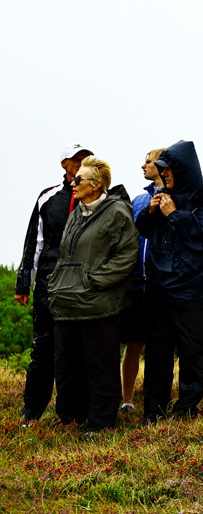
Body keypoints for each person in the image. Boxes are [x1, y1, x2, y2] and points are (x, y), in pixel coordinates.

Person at [137, 140, 203, 422]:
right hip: (158, 288)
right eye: (161, 170)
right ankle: (154, 410)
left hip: (192, 290)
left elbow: (202, 237)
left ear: (183, 170)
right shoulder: (163, 195)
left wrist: (173, 215)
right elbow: (142, 229)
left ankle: (186, 408)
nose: (163, 175)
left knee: (191, 353)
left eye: (167, 170)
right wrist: (151, 212)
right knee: (156, 353)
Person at [46, 156, 138, 434]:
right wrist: (57, 282)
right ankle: (72, 418)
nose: (72, 182)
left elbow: (127, 255)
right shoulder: (77, 212)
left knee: (100, 366)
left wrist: (92, 281)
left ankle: (101, 423)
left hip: (98, 305)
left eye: (79, 179)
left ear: (97, 185)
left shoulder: (117, 212)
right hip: (67, 303)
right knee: (66, 365)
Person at [15, 143, 93, 425]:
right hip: (48, 285)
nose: (82, 163)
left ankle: (74, 413)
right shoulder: (47, 198)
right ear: (65, 165)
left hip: (81, 287)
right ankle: (32, 411)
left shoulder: (96, 196)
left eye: (87, 158)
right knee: (44, 348)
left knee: (77, 350)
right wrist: (24, 284)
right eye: (77, 159)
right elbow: (33, 242)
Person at [122, 148, 165, 413]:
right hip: (137, 281)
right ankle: (127, 400)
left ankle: (158, 398)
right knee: (133, 343)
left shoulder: (179, 197)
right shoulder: (137, 200)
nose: (143, 166)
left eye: (148, 162)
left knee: (162, 345)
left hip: (163, 282)